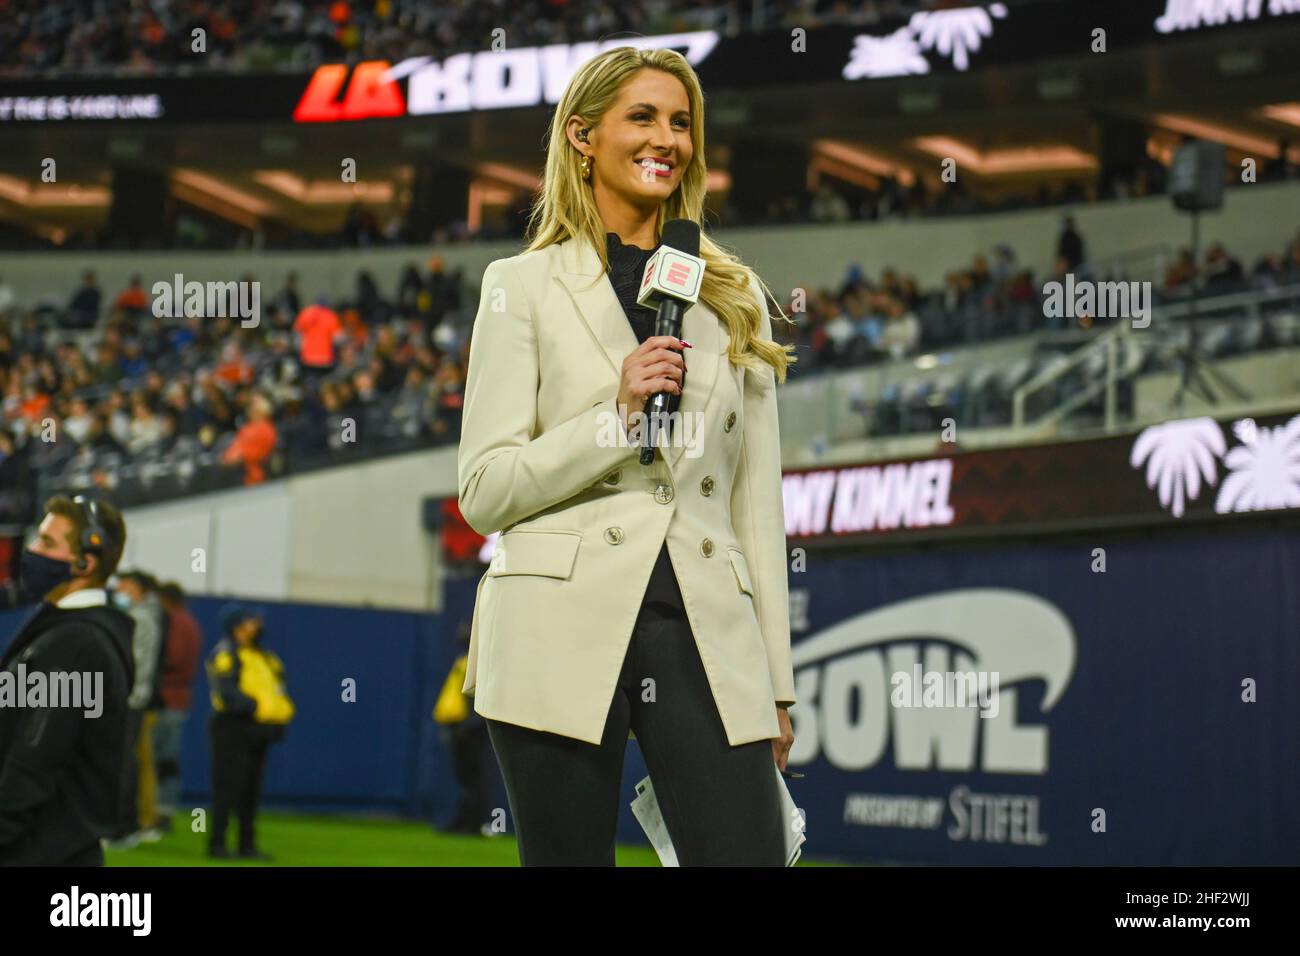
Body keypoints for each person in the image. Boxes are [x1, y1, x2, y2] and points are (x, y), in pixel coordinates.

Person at [457, 46, 797, 866]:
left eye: (681, 122)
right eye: (642, 117)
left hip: (704, 627)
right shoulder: (521, 285)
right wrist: (614, 417)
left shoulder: (732, 293)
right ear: (582, 135)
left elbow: (757, 501)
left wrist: (777, 684)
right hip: (553, 621)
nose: (667, 139)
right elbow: (484, 489)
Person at [0, 495, 133, 865]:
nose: (31, 550)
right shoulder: (65, 634)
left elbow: (34, 761)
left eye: (46, 542)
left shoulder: (76, 645)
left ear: (84, 563)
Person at [204, 604, 293, 859]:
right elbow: (227, 693)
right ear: (237, 626)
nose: (255, 628)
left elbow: (278, 691)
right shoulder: (226, 654)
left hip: (260, 729)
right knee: (228, 787)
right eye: (250, 623)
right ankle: (217, 843)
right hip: (232, 726)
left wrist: (279, 716)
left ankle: (247, 844)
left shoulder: (266, 658)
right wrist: (255, 707)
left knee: (251, 790)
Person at [105, 569, 168, 848]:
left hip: (129, 699)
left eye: (126, 587)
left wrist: (123, 693)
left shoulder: (140, 618)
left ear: (140, 590)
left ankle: (123, 827)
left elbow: (135, 663)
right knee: (128, 762)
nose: (120, 591)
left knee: (126, 763)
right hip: (132, 698)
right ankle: (124, 825)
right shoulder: (143, 616)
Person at [153, 581, 202, 832]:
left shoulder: (176, 622)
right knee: (165, 757)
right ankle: (161, 809)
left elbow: (173, 656)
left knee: (162, 758)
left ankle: (162, 811)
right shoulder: (188, 621)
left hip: (168, 697)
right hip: (176, 698)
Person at [432, 620, 489, 836]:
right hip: (459, 726)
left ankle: (471, 823)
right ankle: (465, 820)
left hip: (468, 730)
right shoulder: (464, 661)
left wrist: (469, 727)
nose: (462, 635)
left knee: (471, 778)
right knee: (466, 778)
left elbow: (476, 701)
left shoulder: (475, 663)